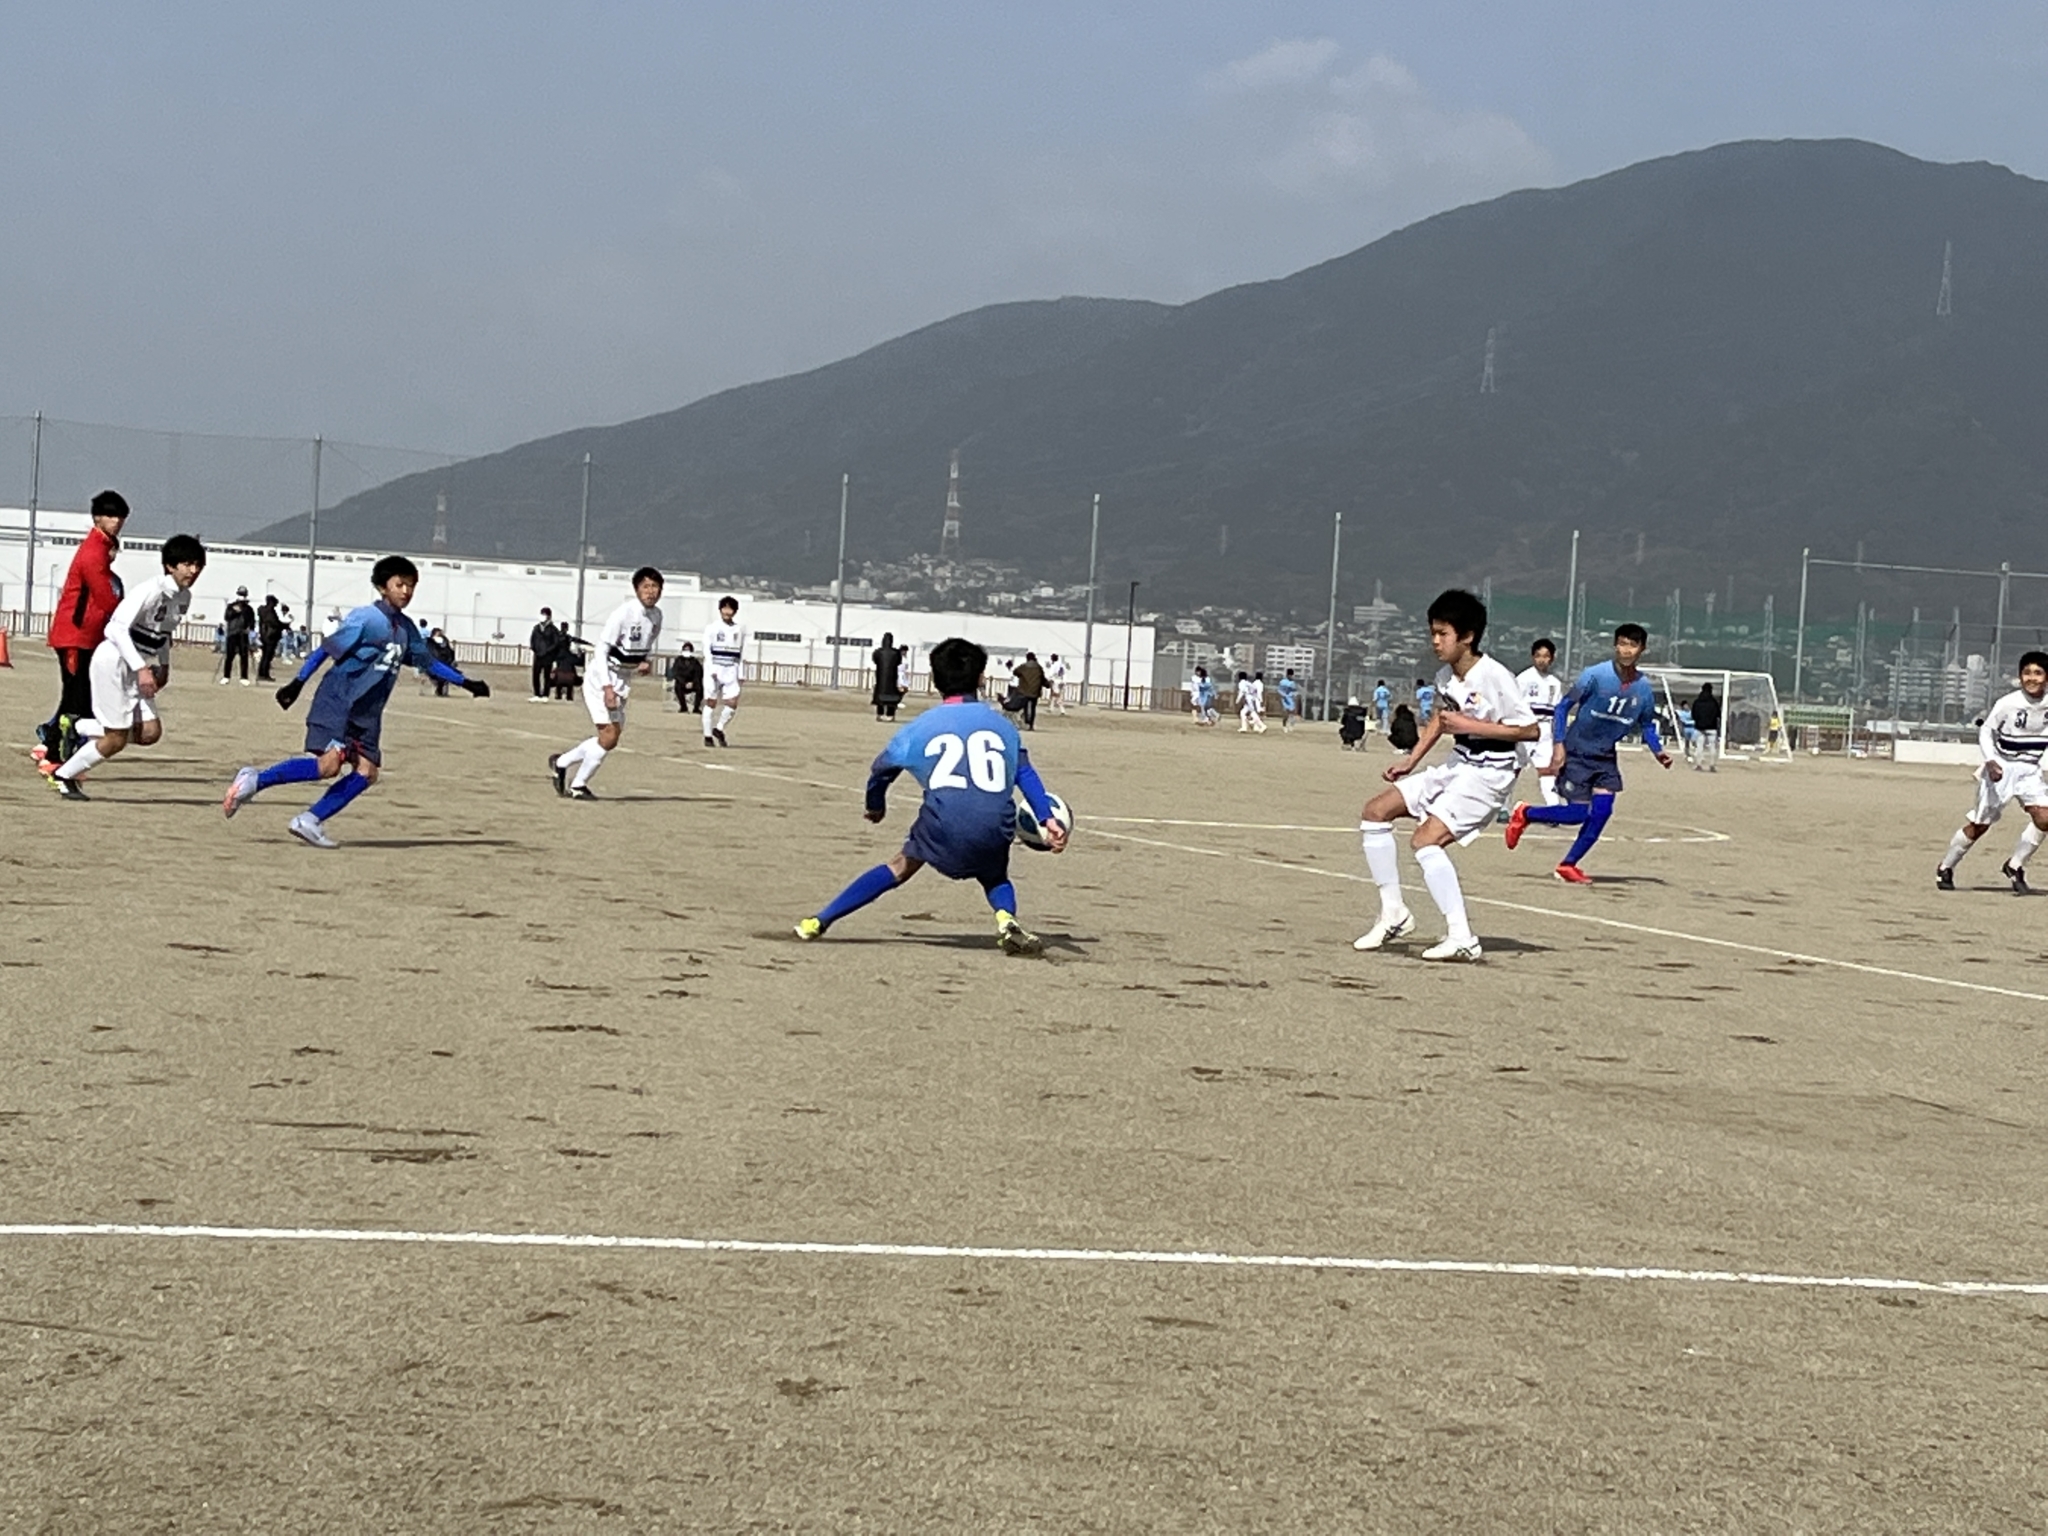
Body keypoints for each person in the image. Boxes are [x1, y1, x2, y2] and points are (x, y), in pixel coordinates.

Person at [795, 637, 1067, 954]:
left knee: (901, 865)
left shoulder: (919, 728)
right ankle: (1007, 920)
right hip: (995, 826)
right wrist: (1046, 817)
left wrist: (875, 805)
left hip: (943, 826)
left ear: (935, 680)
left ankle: (819, 921)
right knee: (995, 875)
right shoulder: (1003, 726)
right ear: (981, 678)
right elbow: (1025, 773)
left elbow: (881, 770)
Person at [220, 555, 490, 847]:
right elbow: (327, 650)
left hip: (367, 713)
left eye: (411, 585)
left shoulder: (406, 629)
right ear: (382, 587)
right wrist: (297, 683)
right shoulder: (366, 619)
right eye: (399, 584)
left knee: (367, 771)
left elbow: (428, 662)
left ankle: (309, 820)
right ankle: (256, 780)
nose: (406, 591)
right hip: (339, 701)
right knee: (329, 765)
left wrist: (466, 682)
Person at [1354, 589, 1537, 962]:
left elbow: (1529, 730)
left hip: (1490, 773)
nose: (1435, 642)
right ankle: (1394, 913)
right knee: (1375, 812)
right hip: (1458, 764)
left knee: (1426, 840)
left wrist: (1472, 726)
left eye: (1443, 634)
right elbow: (1441, 717)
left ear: (1467, 636)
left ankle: (1462, 937)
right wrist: (1412, 760)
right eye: (1433, 633)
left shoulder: (1495, 676)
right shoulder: (1445, 676)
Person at [1505, 623, 1672, 885]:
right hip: (1578, 752)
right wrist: (1559, 744)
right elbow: (1563, 707)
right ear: (1615, 646)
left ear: (1642, 649)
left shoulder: (1643, 689)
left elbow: (1647, 724)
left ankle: (1568, 864)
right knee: (1578, 813)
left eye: (1633, 645)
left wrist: (1658, 750)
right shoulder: (1594, 675)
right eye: (1622, 644)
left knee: (1602, 812)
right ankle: (1526, 813)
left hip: (1605, 757)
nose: (1627, 650)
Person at [43, 535, 207, 799]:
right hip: (114, 663)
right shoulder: (150, 590)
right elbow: (115, 629)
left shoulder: (183, 598)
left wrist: (164, 666)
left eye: (198, 565)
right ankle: (63, 775)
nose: (193, 571)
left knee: (150, 732)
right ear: (170, 566)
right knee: (115, 739)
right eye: (187, 564)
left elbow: (163, 635)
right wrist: (141, 669)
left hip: (137, 665)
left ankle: (77, 727)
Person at [1935, 651, 2048, 893]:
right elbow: (1986, 731)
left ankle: (2015, 865)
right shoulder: (2008, 703)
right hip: (2001, 769)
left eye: (2038, 673)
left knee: (2045, 818)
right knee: (1979, 825)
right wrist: (1991, 761)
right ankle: (1946, 866)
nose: (2032, 678)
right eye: (2027, 673)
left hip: (2030, 770)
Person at [548, 568, 663, 799]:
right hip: (602, 677)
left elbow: (645, 644)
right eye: (646, 586)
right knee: (609, 735)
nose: (651, 592)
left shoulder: (657, 616)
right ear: (636, 589)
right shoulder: (623, 614)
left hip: (623, 679)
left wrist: (644, 661)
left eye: (655, 587)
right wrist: (607, 687)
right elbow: (601, 650)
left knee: (611, 738)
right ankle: (578, 785)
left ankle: (561, 763)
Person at [35, 489, 130, 770]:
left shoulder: (100, 549)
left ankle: (50, 744)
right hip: (76, 635)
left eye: (121, 517)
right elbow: (105, 597)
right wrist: (127, 620)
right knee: (77, 698)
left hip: (86, 636)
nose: (117, 521)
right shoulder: (93, 552)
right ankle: (55, 753)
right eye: (111, 516)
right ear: (97, 518)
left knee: (78, 695)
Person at [1516, 638, 1566, 807]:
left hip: (1545, 730)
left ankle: (1553, 807)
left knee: (1547, 770)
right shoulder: (1523, 678)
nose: (1542, 660)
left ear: (1552, 658)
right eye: (1538, 656)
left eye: (1546, 656)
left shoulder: (1555, 683)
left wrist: (1557, 736)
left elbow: (1557, 711)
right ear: (1533, 657)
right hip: (1525, 728)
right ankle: (1504, 807)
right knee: (1513, 767)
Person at [702, 595, 747, 747]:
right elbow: (706, 650)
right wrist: (711, 668)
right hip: (715, 668)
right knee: (711, 702)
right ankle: (707, 736)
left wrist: (741, 672)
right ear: (720, 610)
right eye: (725, 608)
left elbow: (741, 651)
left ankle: (719, 728)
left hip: (731, 668)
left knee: (732, 702)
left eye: (730, 609)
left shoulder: (739, 629)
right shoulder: (712, 628)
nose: (727, 612)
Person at [220, 587, 256, 686]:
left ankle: (244, 677)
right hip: (232, 633)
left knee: (244, 656)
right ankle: (226, 676)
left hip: (243, 634)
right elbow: (227, 617)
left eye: (243, 595)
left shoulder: (248, 609)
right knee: (229, 656)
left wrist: (251, 631)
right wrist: (235, 611)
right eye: (240, 594)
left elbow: (252, 621)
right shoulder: (231, 606)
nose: (242, 597)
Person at [528, 608, 563, 701]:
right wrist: (534, 648)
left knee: (547, 676)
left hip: (548, 656)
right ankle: (536, 694)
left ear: (549, 617)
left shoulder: (553, 630)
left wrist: (548, 651)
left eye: (544, 614)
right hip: (538, 655)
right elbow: (532, 640)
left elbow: (556, 643)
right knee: (535, 674)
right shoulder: (536, 628)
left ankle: (545, 695)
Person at [871, 632, 907, 721]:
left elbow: (875, 660)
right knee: (892, 698)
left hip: (880, 677)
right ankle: (890, 715)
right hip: (892, 678)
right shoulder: (896, 653)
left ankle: (880, 714)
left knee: (880, 696)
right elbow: (899, 662)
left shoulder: (878, 652)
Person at [1689, 682, 1722, 772]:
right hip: (1712, 727)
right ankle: (1712, 765)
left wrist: (1699, 720)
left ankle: (1698, 764)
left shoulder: (1697, 702)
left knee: (1699, 747)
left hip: (1699, 727)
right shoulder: (1714, 702)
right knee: (1712, 747)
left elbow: (1693, 715)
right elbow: (1718, 714)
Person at [1012, 651, 1046, 730]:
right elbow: (1042, 678)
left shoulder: (1023, 667)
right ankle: (1031, 724)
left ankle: (1026, 721)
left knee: (1025, 706)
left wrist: (1021, 676)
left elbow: (1015, 672)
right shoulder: (1038, 667)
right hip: (1035, 691)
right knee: (1033, 708)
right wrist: (1046, 684)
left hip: (1024, 691)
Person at [256, 595, 287, 681]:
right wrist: (285, 626)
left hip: (264, 635)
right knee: (267, 656)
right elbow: (274, 623)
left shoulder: (263, 611)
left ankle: (262, 673)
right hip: (270, 636)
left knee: (265, 656)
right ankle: (264, 674)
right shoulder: (269, 612)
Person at [670, 641, 704, 715]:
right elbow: (676, 673)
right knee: (677, 687)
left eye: (688, 650)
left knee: (700, 688)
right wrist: (684, 683)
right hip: (682, 683)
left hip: (692, 683)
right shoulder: (678, 660)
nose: (687, 651)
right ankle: (683, 707)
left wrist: (693, 682)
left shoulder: (695, 662)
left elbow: (698, 674)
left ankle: (696, 708)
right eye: (685, 650)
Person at [1277, 669, 1302, 733]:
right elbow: (1279, 690)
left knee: (1293, 713)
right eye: (1290, 675)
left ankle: (1291, 725)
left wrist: (1296, 695)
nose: (1291, 676)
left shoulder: (1293, 683)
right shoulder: (1282, 682)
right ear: (1287, 675)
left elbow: (1295, 691)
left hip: (1291, 699)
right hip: (1285, 699)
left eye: (1292, 675)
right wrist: (1283, 695)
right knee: (1286, 713)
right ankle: (1284, 726)